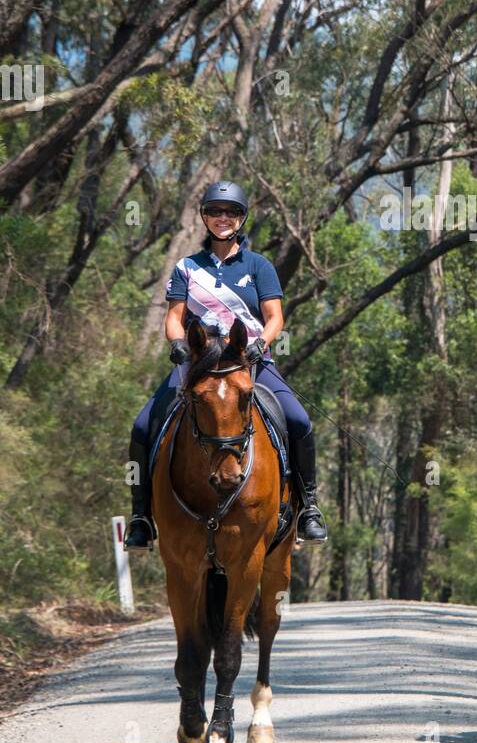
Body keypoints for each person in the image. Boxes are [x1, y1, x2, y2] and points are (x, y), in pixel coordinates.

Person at [124, 180, 328, 549]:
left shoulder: (258, 265)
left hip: (250, 360)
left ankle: (308, 507)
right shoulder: (187, 266)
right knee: (142, 427)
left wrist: (260, 344)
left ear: (241, 218)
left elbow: (275, 317)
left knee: (299, 421)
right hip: (198, 364)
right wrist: (178, 344)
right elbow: (174, 316)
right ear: (204, 216)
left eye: (230, 212)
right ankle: (141, 516)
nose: (222, 218)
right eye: (215, 211)